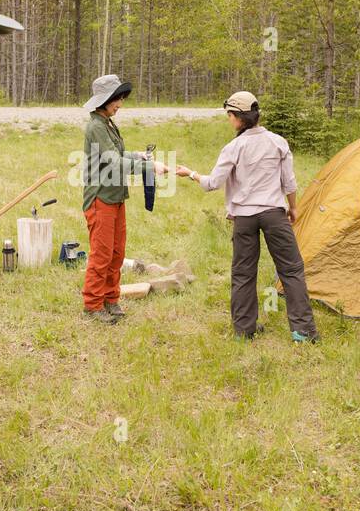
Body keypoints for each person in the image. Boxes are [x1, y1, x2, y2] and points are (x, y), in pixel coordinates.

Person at [175, 91, 318, 342]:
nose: (229, 120)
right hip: (274, 214)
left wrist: (190, 173)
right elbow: (289, 183)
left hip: (244, 218)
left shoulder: (234, 147)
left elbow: (212, 184)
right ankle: (303, 332)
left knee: (243, 273)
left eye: (230, 115)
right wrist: (293, 208)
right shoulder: (278, 142)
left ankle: (244, 330)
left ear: (238, 117)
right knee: (291, 270)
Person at [80, 74, 166, 324]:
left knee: (117, 253)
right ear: (105, 100)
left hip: (116, 197)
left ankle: (110, 298)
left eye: (121, 98)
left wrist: (139, 156)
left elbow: (118, 153)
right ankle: (93, 304)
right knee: (102, 254)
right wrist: (149, 169)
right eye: (117, 99)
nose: (120, 104)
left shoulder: (106, 123)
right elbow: (114, 162)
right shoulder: (95, 126)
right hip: (101, 199)